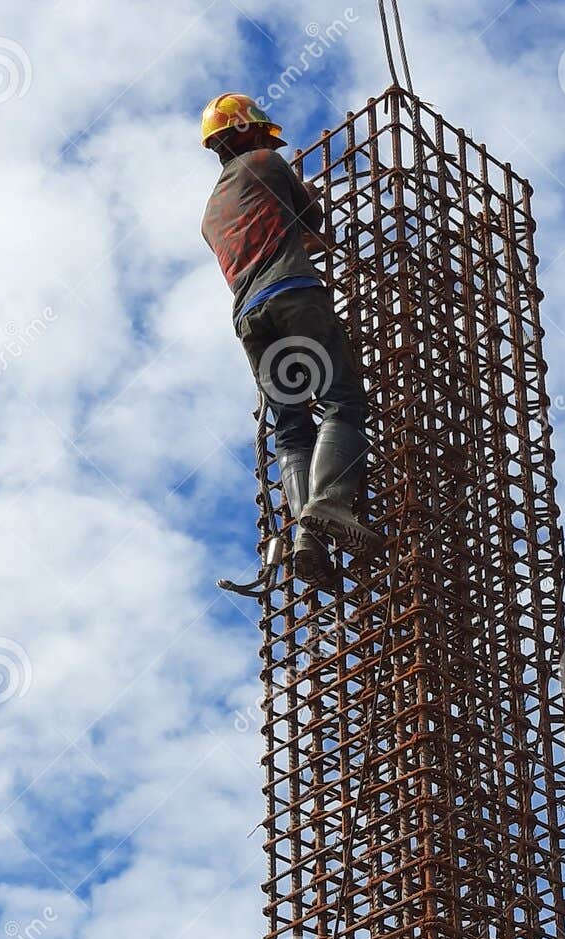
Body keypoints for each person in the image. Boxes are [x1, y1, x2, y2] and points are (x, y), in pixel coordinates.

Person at [199, 93, 384, 592]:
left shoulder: (210, 214)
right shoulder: (265, 162)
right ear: (245, 132)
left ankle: (308, 540)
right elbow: (312, 220)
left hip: (251, 322)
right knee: (342, 402)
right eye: (260, 130)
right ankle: (330, 504)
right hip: (293, 297)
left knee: (292, 431)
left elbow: (269, 235)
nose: (266, 138)